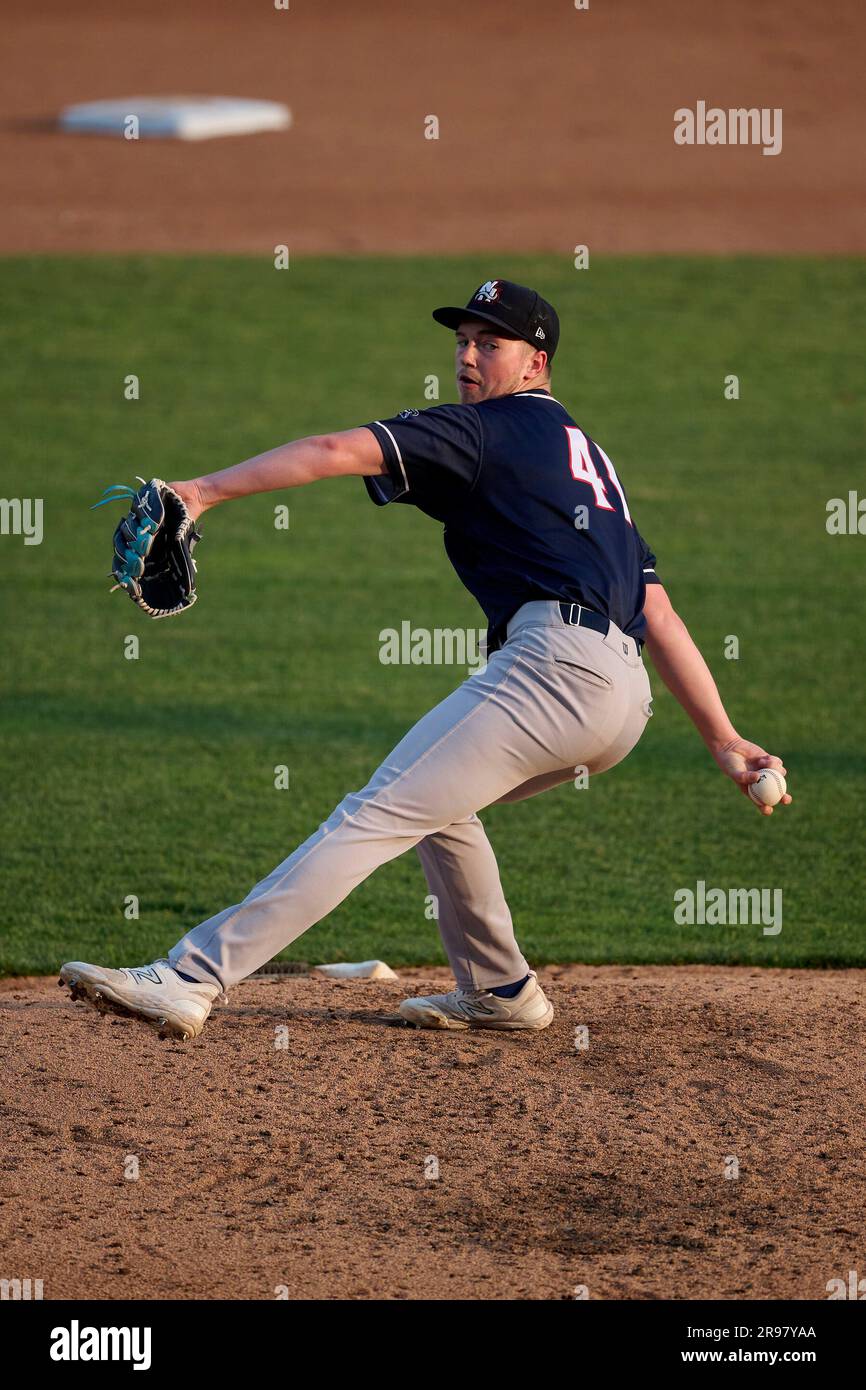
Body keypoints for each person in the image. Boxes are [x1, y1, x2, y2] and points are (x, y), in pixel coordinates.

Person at [60, 279, 791, 1041]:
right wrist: (724, 738)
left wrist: (200, 492)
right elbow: (659, 614)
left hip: (554, 674)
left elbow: (334, 451)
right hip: (619, 705)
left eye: (490, 344)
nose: (468, 357)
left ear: (537, 362)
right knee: (440, 801)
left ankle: (188, 977)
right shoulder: (591, 467)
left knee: (374, 815)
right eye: (462, 341)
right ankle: (501, 989)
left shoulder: (490, 430)